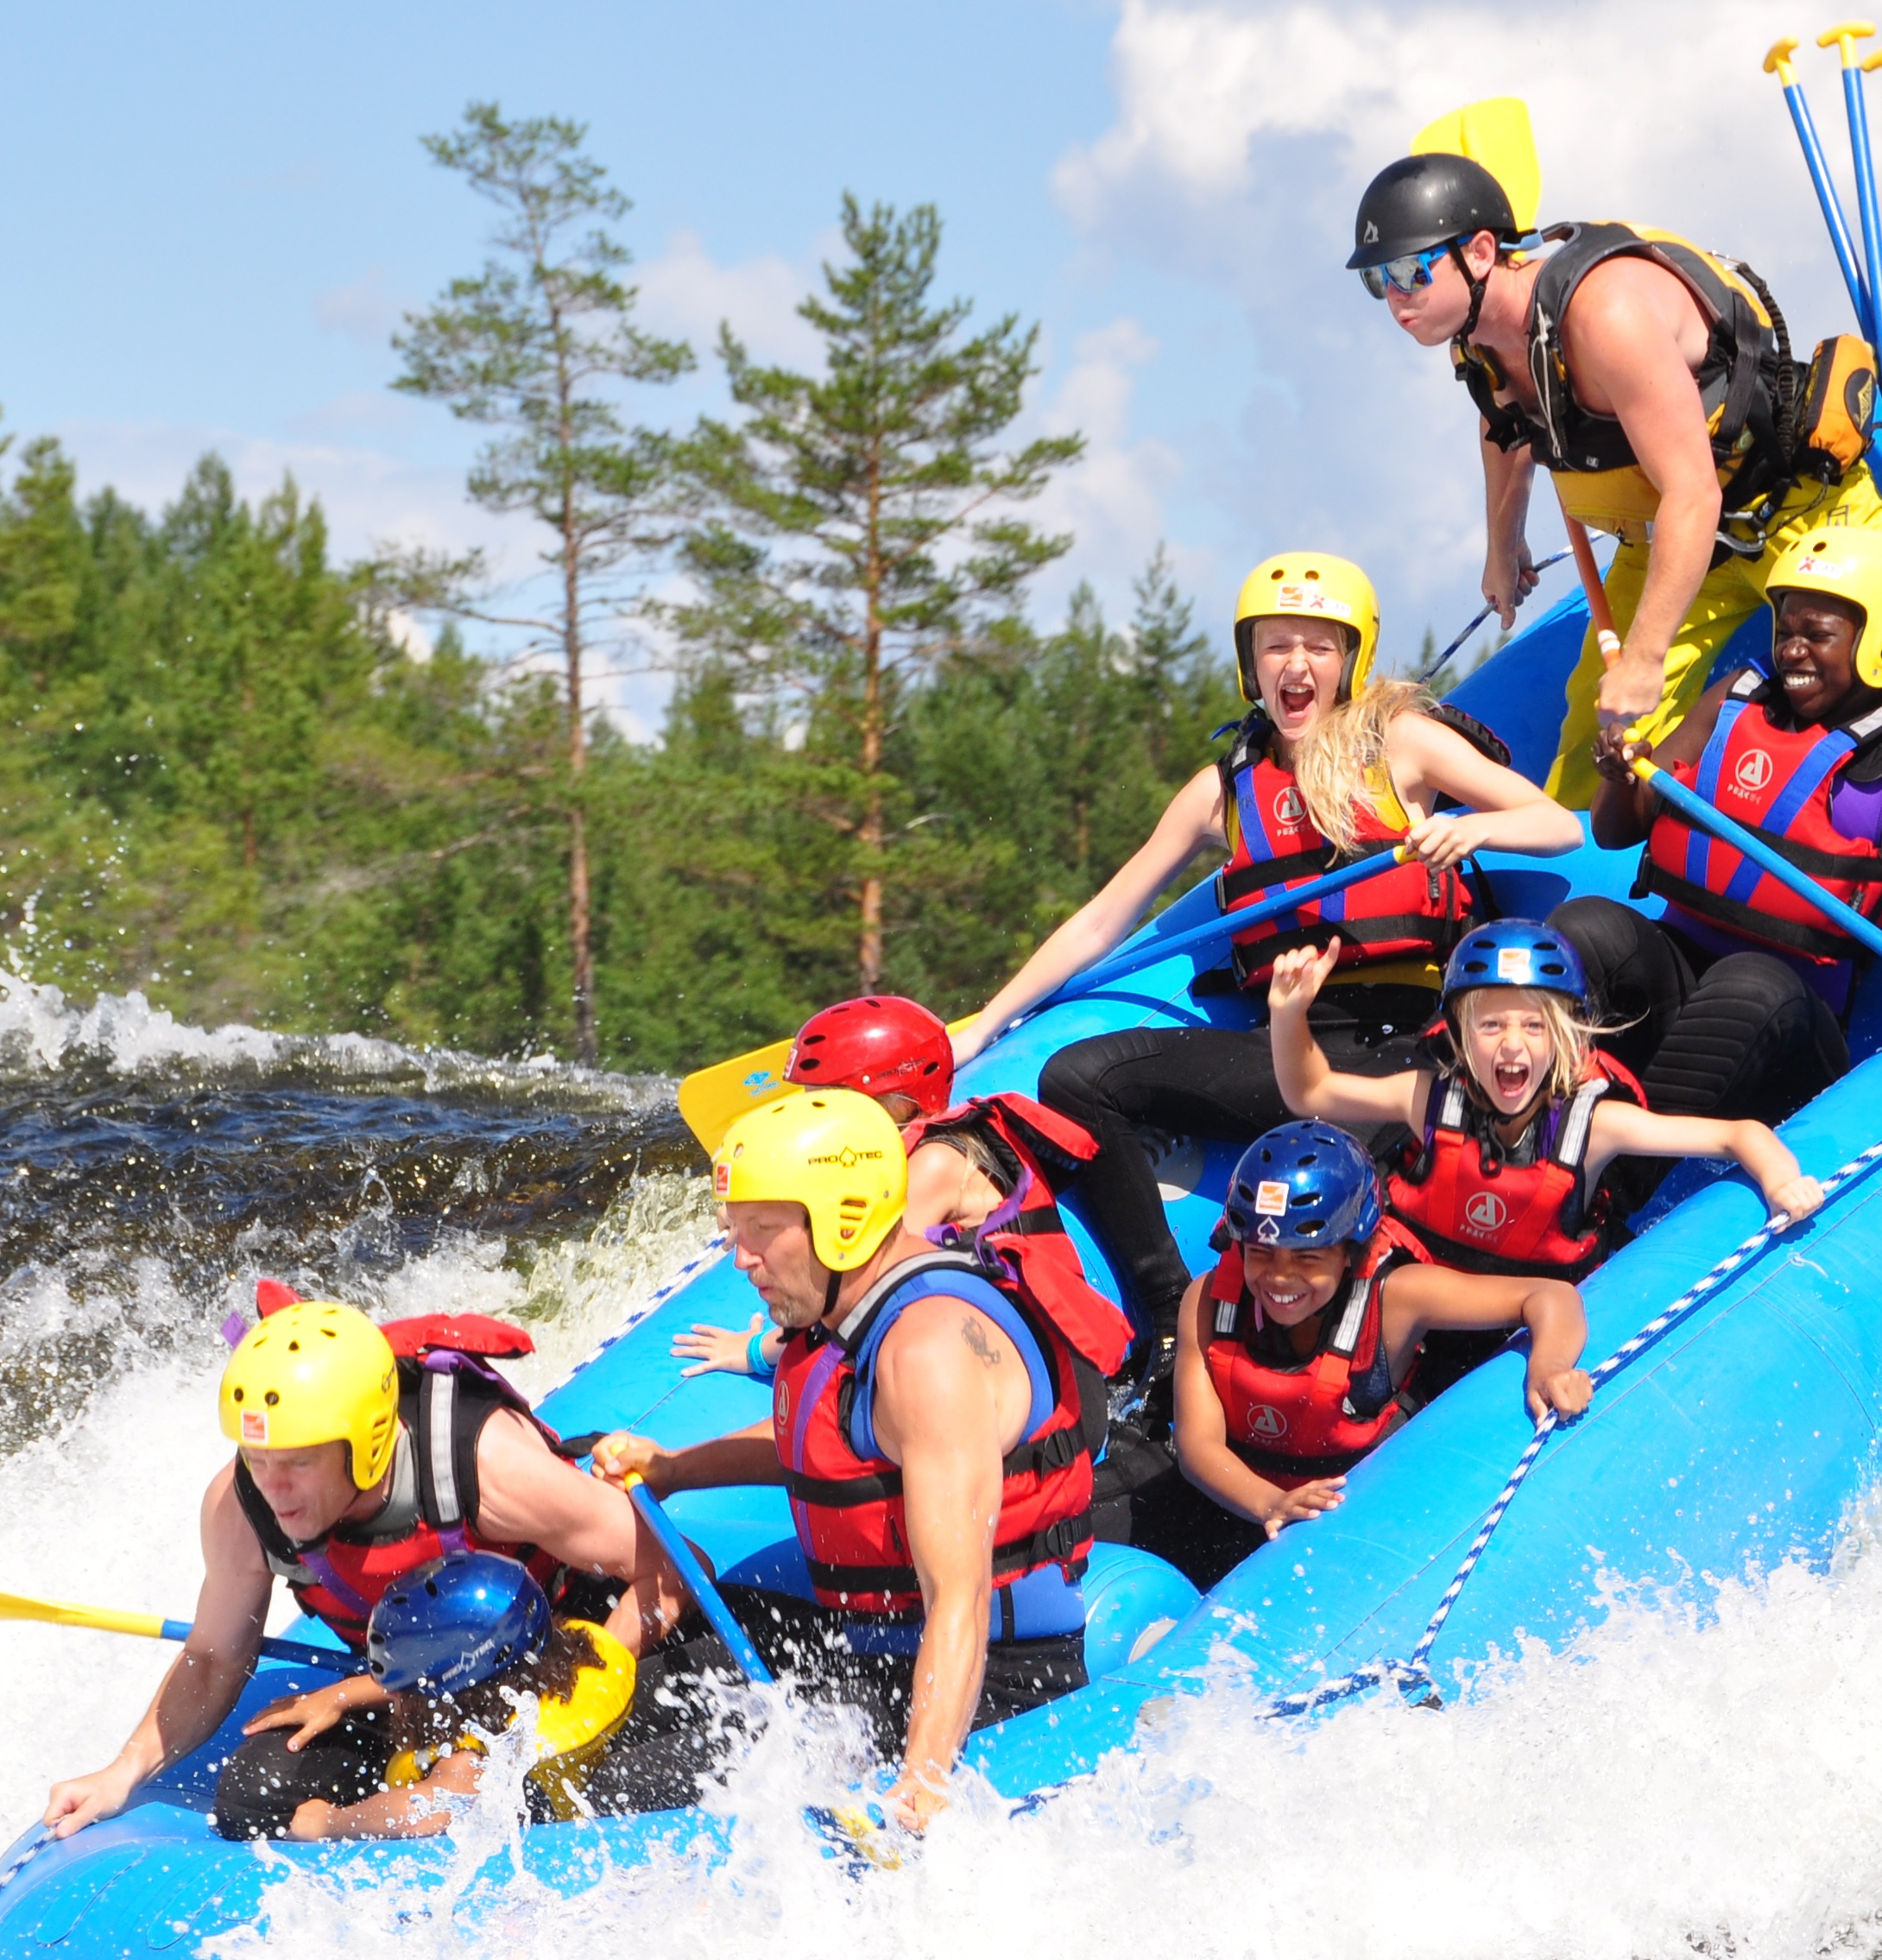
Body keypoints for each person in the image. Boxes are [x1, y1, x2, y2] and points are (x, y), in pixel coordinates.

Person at [959, 553, 1582, 1343]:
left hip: (1403, 1052)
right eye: (1277, 645)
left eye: (1319, 646)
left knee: (1340, 1169)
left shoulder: (1406, 742)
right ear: (1252, 662)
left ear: (1349, 660)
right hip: (1286, 1047)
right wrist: (984, 1024)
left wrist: (1475, 826)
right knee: (1078, 1077)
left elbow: (1556, 826)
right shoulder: (1224, 787)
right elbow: (1099, 921)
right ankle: (1164, 1320)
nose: (1296, 664)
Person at [585, 1090, 1105, 1833]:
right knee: (630, 1699)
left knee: (624, 1791)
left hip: (992, 1683)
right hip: (863, 1646)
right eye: (734, 1232)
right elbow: (831, 1442)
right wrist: (673, 1467)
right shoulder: (838, 1310)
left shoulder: (928, 1351)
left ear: (847, 1220)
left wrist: (922, 1783)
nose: (743, 1260)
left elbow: (959, 1595)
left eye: (762, 1232)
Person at [37, 1294, 692, 1843]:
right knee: (251, 1797)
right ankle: (417, 1795)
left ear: (368, 1441)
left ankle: (455, 1794)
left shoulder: (485, 1464)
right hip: (415, 1687)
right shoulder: (240, 1504)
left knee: (550, 1789)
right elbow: (213, 1657)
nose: (273, 1488)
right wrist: (122, 1772)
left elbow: (671, 1567)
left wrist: (575, 1691)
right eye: (259, 1459)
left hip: (563, 1653)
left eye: (297, 1463)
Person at [1347, 147, 1882, 807]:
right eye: (1378, 281)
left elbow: (1694, 492)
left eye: (1410, 271)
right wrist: (1502, 539)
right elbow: (1506, 423)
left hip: (1796, 518)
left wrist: (1646, 660)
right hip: (1674, 545)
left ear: (1481, 252)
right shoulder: (1476, 338)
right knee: (1590, 749)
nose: (1396, 299)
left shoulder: (1607, 316)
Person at [1574, 524, 1882, 1122]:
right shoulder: (1736, 701)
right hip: (1681, 969)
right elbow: (1615, 833)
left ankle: (1614, 1182)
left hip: (1791, 1017)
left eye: (1816, 636)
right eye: (1786, 631)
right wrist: (1619, 777)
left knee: (1748, 984)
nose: (1791, 650)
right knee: (1588, 927)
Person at [1127, 1123, 1591, 1590]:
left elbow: (1549, 1296)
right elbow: (1197, 1447)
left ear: (1350, 1252)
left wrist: (1549, 1365)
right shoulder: (1207, 1301)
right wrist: (1273, 1505)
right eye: (1261, 1254)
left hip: (1361, 1519)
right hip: (1247, 1504)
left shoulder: (1397, 1301)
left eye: (1306, 1258)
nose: (1279, 1279)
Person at [1269, 920, 1825, 1288]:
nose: (1512, 1045)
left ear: (1563, 1039)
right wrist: (1288, 1015)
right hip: (1430, 1309)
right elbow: (1310, 1092)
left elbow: (1736, 1134)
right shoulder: (1427, 1100)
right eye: (1490, 1026)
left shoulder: (1596, 1128)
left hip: (1539, 1313)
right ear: (1459, 1038)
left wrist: (1781, 1182)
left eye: (1534, 1026)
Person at [675, 996, 1130, 1384]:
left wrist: (755, 1352)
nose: (810, 1116)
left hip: (1037, 1372)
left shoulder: (933, 1165)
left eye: (826, 1101)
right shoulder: (893, 1149)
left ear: (895, 1103)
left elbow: (853, 1282)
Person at [231, 1552, 635, 1840]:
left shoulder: (478, 1747)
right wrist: (341, 1697)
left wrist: (330, 1823)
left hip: (560, 1810)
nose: (391, 1692)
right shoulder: (571, 1653)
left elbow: (437, 1805)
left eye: (399, 1684)